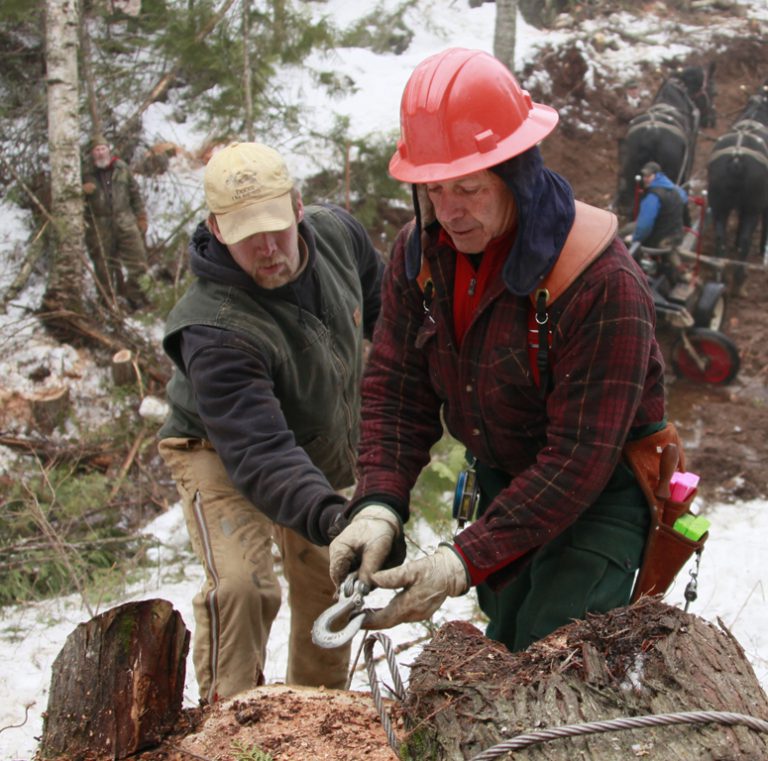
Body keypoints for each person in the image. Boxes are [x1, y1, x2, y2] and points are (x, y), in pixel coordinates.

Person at [329, 48, 669, 653]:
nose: (448, 212)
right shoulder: (421, 254)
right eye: (433, 189)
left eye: (468, 188)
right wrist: (378, 502)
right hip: (504, 476)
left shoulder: (600, 282)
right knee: (505, 643)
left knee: (556, 654)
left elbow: (578, 459)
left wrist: (461, 559)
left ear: (517, 172)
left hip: (599, 488)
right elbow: (395, 388)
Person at [157, 141, 383, 702]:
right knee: (243, 588)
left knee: (328, 585)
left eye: (275, 228)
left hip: (317, 440)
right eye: (244, 235)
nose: (266, 249)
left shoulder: (338, 236)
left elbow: (392, 318)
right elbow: (258, 451)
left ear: (298, 206)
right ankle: (230, 725)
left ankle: (317, 718)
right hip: (219, 447)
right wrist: (333, 516)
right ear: (215, 227)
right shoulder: (212, 329)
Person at [82, 133, 149, 308]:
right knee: (103, 267)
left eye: (103, 148)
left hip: (125, 220)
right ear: (91, 153)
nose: (100, 153)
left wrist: (141, 216)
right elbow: (71, 199)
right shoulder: (85, 172)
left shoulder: (122, 168)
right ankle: (108, 304)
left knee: (138, 261)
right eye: (97, 150)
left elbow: (135, 194)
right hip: (99, 226)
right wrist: (81, 191)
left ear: (108, 150)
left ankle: (137, 299)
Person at [630, 161, 689, 249]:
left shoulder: (653, 197)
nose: (645, 179)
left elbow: (645, 226)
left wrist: (634, 238)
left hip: (659, 238)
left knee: (624, 233)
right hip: (677, 236)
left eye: (648, 176)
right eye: (644, 176)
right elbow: (684, 199)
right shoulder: (676, 190)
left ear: (657, 175)